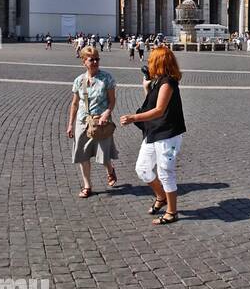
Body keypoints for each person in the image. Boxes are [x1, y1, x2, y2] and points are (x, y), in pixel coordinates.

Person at [125, 45, 187, 223]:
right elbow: (152, 104)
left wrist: (133, 117)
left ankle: (172, 212)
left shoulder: (168, 82)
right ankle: (161, 196)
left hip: (167, 133)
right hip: (153, 132)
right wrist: (146, 87)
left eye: (152, 60)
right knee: (142, 169)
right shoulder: (158, 81)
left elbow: (159, 110)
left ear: (159, 62)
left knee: (165, 172)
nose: (149, 62)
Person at [68, 46, 121, 198]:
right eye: (92, 60)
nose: (96, 62)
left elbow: (112, 101)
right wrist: (70, 124)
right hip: (82, 121)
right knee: (82, 155)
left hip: (101, 121)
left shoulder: (107, 78)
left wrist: (106, 113)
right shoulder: (79, 80)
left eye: (97, 59)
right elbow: (75, 104)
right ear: (84, 61)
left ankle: (110, 170)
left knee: (104, 155)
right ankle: (87, 186)